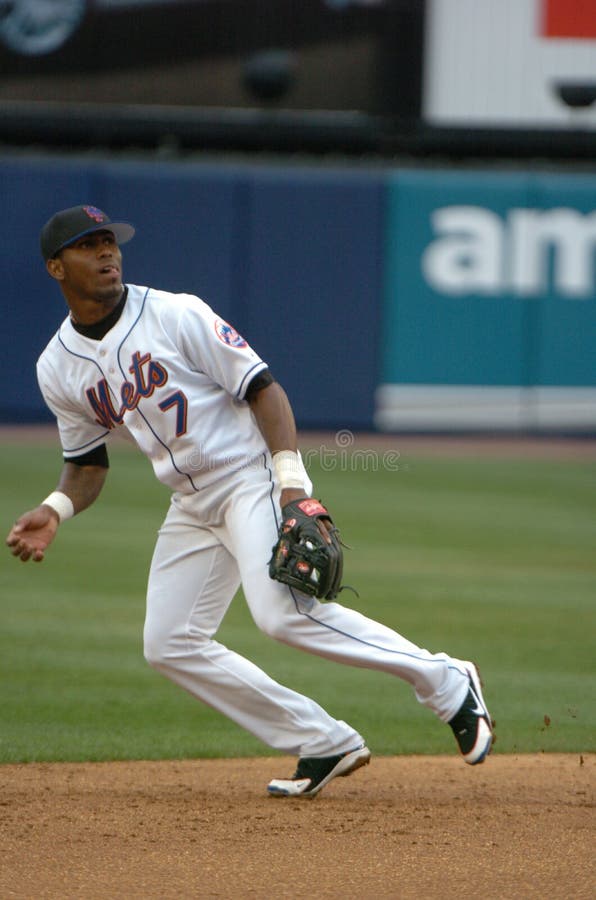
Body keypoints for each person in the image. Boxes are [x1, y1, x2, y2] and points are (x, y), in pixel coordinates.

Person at [6, 205, 494, 798]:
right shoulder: (56, 367)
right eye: (89, 245)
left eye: (111, 241)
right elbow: (87, 464)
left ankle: (445, 680)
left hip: (249, 476)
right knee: (169, 643)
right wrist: (55, 508)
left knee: (282, 614)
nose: (108, 253)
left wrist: (291, 487)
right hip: (190, 501)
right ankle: (321, 739)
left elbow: (264, 389)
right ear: (57, 267)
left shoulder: (174, 313)